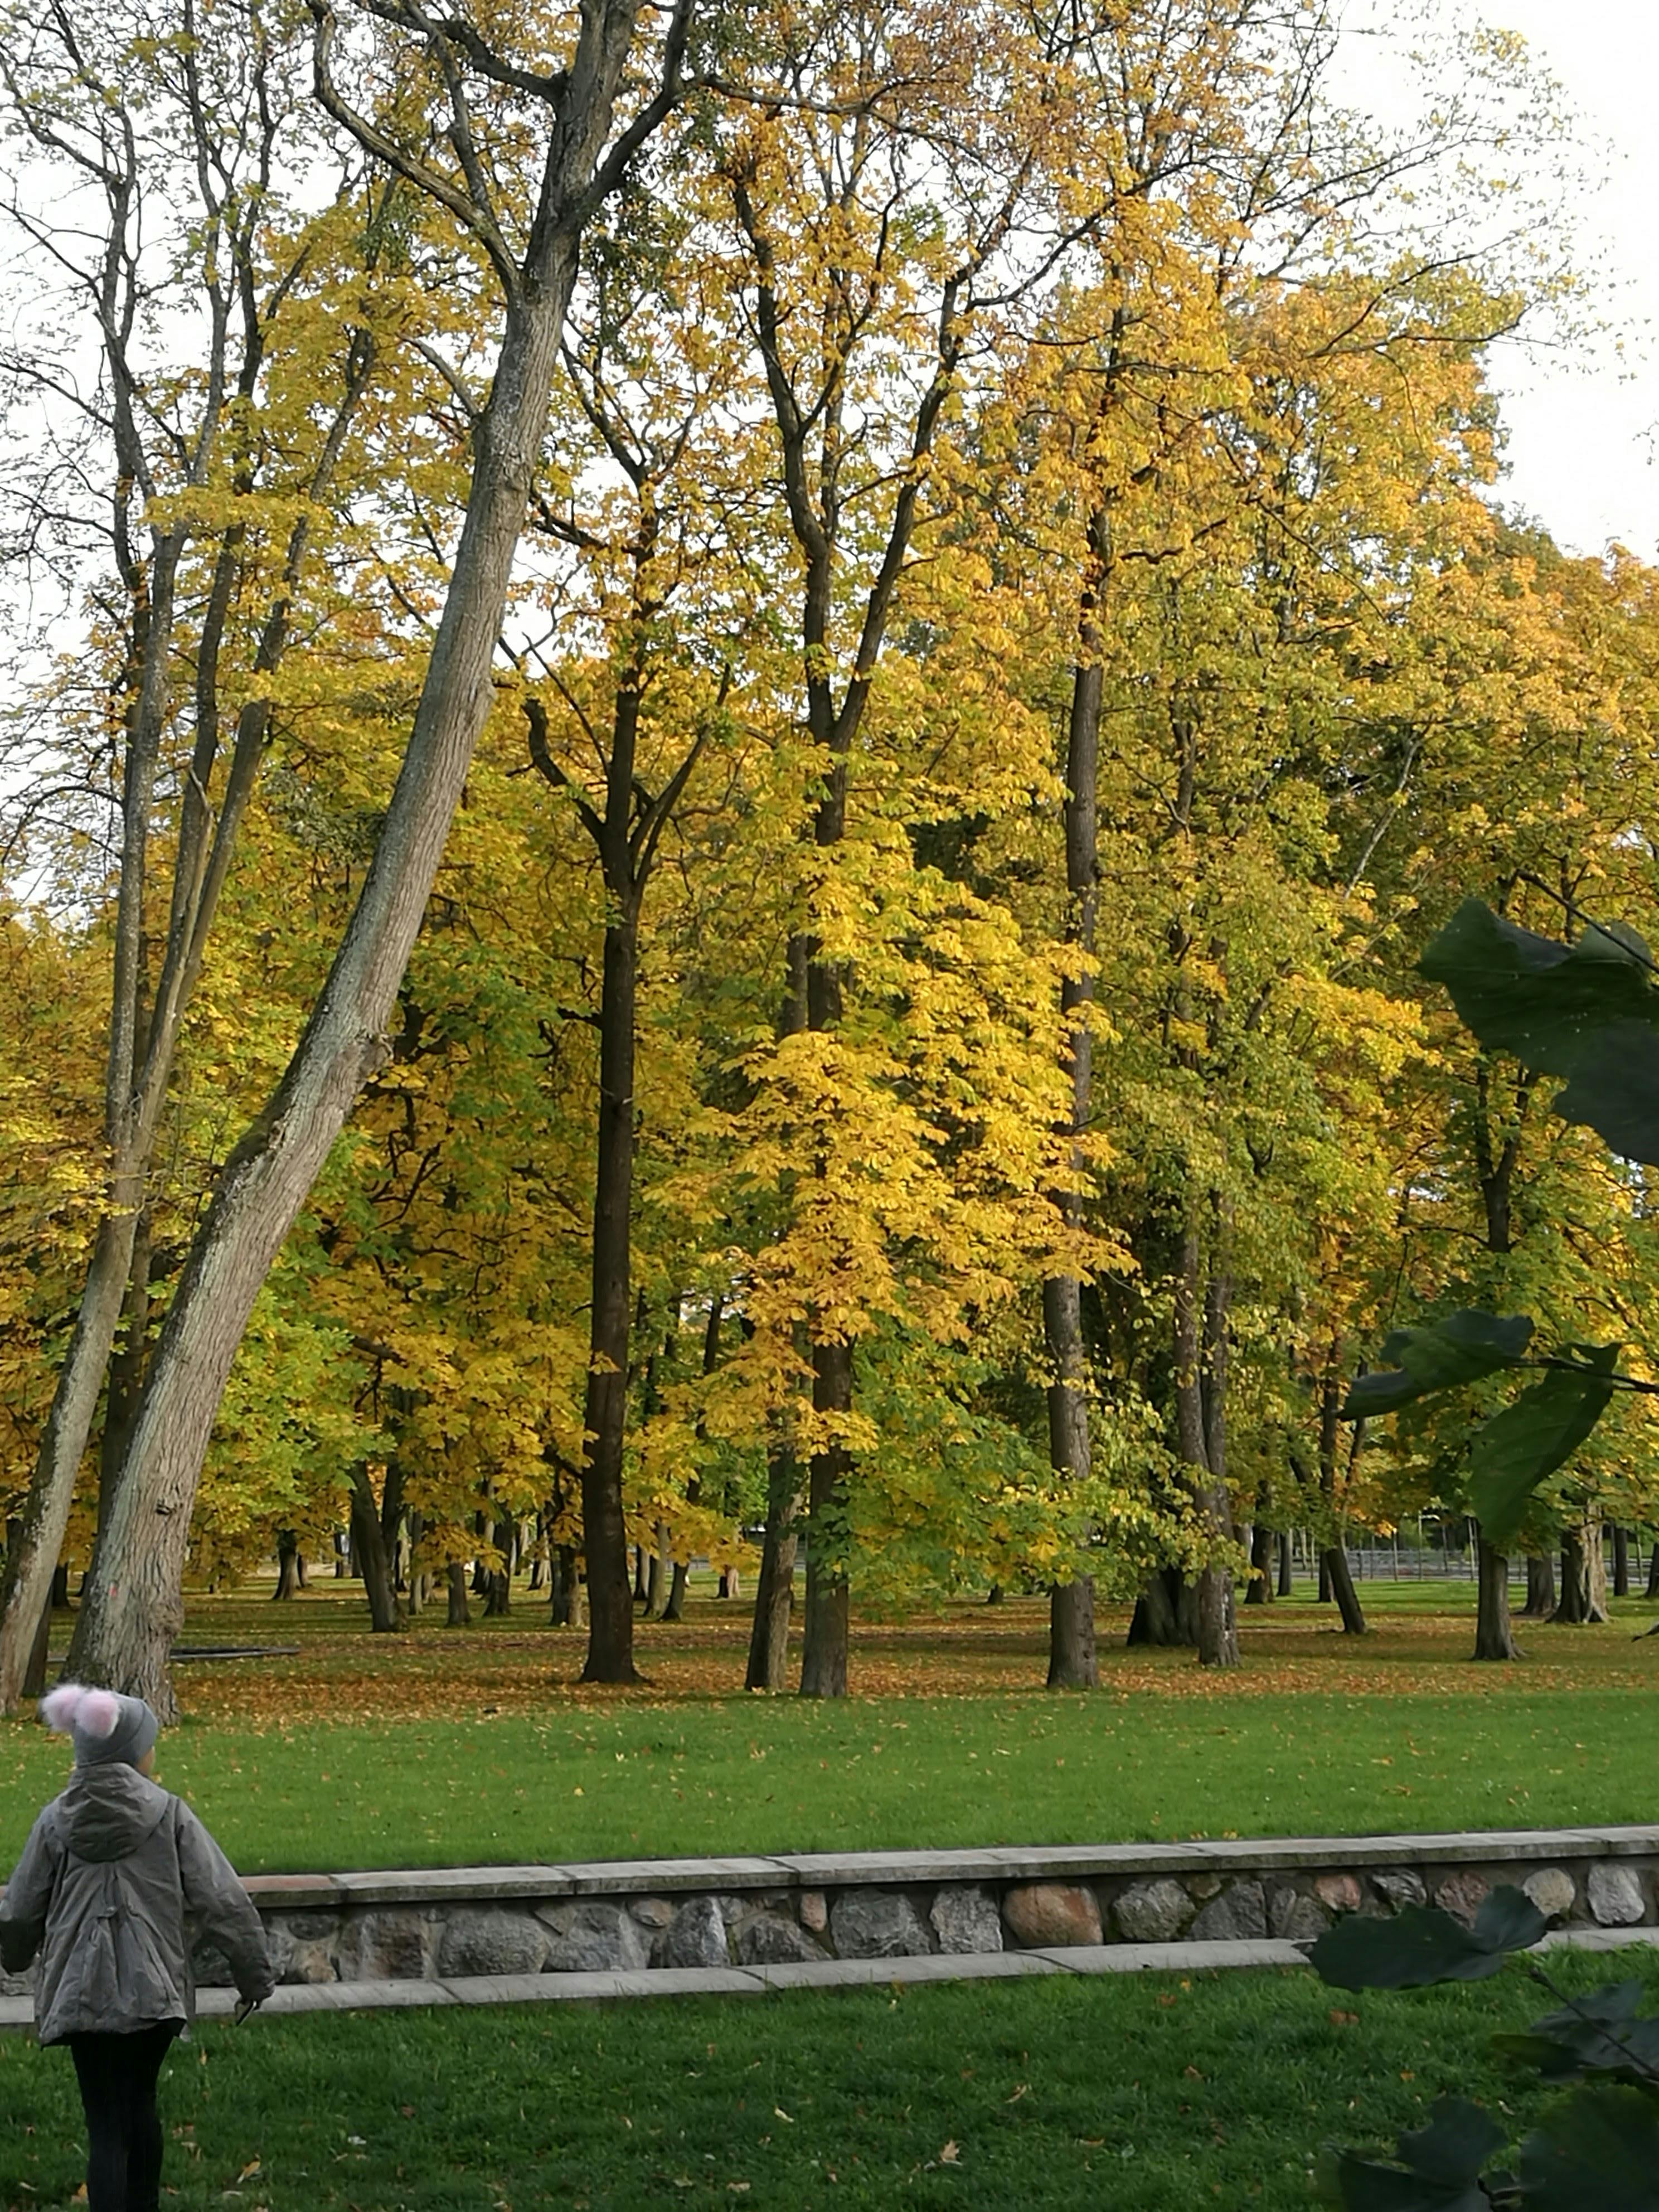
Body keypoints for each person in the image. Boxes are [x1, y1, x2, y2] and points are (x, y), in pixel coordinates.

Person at [0, 1682, 274, 2212]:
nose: (153, 1752)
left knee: (104, 2120)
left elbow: (19, 1910)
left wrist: (14, 1957)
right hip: (154, 1992)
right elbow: (223, 1899)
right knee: (140, 2104)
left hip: (81, 1991)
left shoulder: (55, 1820)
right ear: (129, 1752)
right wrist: (254, 1976)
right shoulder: (169, 1814)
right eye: (148, 1743)